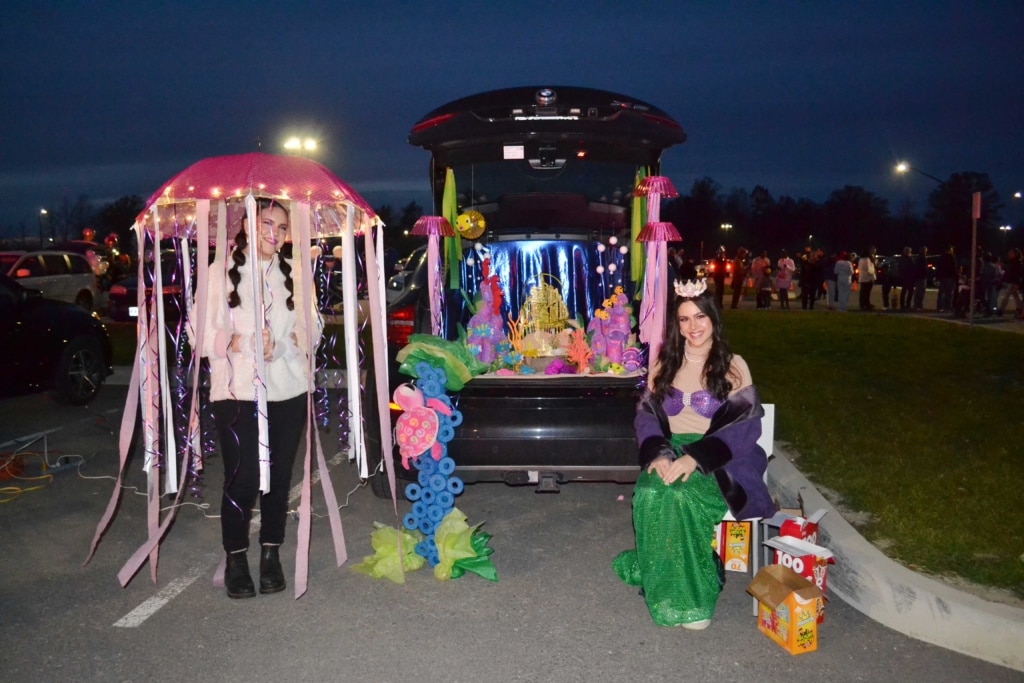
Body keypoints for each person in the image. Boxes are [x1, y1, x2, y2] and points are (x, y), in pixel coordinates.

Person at [613, 278, 773, 629]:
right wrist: (658, 454)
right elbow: (646, 418)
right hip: (670, 450)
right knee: (653, 493)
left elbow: (746, 429)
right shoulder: (663, 364)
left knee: (682, 498)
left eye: (700, 317)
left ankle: (693, 598)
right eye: (684, 319)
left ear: (714, 319)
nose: (693, 327)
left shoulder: (734, 365)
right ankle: (673, 583)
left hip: (724, 457)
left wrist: (697, 458)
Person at [196, 198, 323, 599]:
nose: (275, 233)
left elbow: (313, 328)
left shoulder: (298, 274)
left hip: (287, 389)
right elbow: (197, 337)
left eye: (283, 227)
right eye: (267, 223)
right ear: (248, 225)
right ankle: (236, 556)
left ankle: (271, 553)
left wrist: (283, 346)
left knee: (279, 478)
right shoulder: (219, 273)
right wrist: (243, 342)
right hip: (237, 392)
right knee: (245, 476)